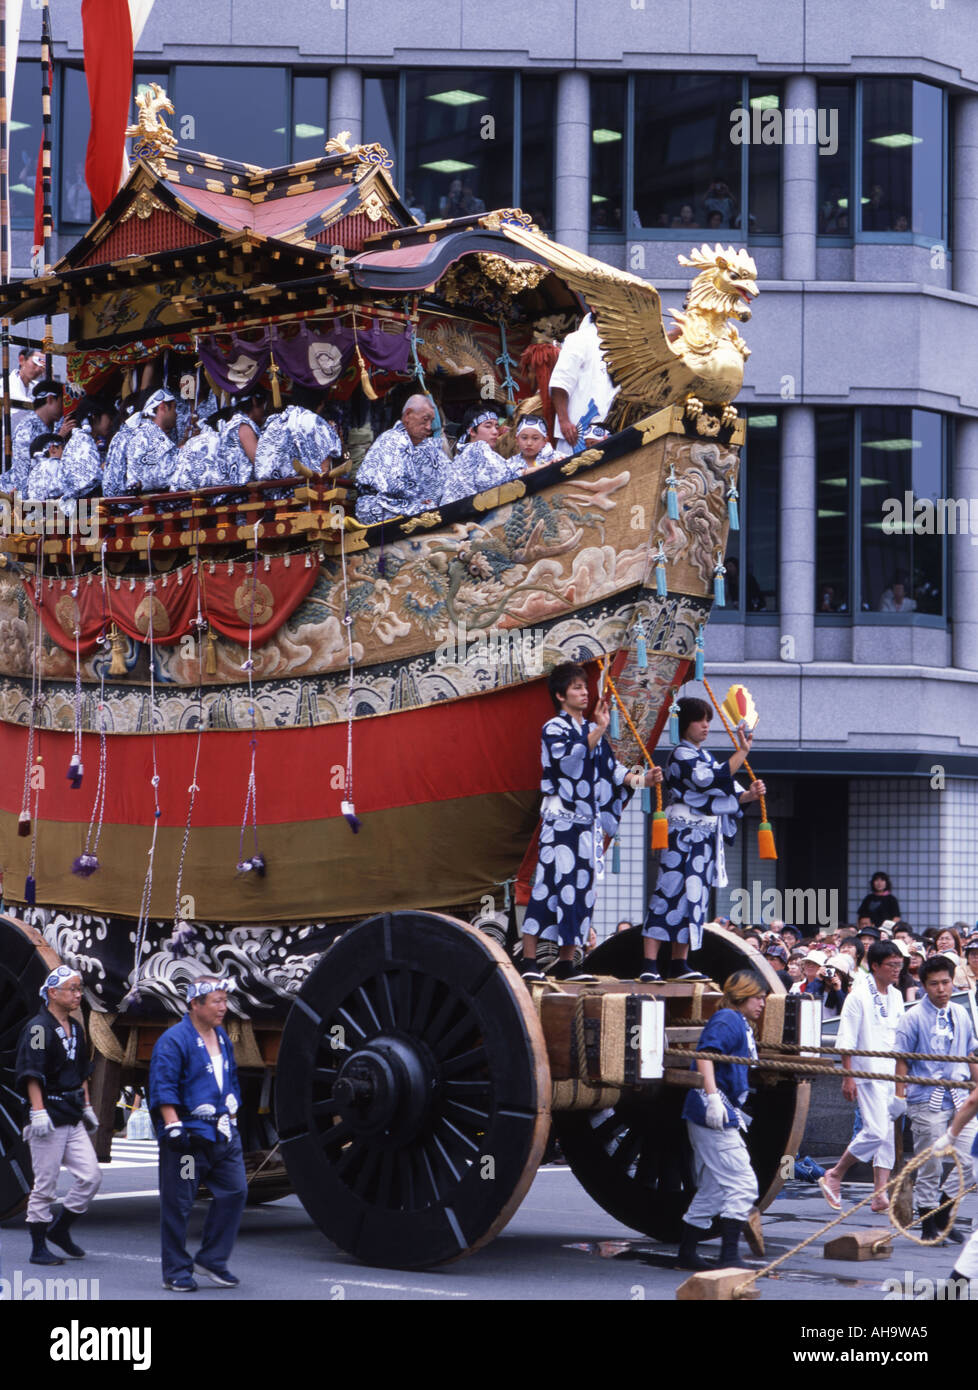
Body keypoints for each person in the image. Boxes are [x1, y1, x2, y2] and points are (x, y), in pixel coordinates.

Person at [520, 662, 661, 983]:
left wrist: (644, 780)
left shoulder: (590, 730)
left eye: (585, 687)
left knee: (580, 891)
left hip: (587, 826)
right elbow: (568, 762)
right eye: (577, 688)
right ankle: (529, 960)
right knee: (549, 886)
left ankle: (567, 962)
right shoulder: (553, 728)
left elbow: (615, 772)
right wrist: (598, 727)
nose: (585, 693)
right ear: (560, 695)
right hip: (560, 821)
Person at [640, 697, 766, 982]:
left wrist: (750, 795)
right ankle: (649, 962)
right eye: (700, 720)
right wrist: (742, 752)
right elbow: (709, 781)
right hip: (682, 834)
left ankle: (678, 962)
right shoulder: (681, 756)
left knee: (693, 897)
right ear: (685, 724)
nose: (706, 726)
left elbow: (730, 792)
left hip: (704, 837)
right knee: (668, 892)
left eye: (708, 720)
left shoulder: (705, 756)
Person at [148, 976, 248, 1292]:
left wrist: (232, 1105)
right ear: (195, 1004)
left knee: (235, 1191)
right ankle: (176, 1270)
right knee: (179, 1203)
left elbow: (230, 1078)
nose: (223, 1007)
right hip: (189, 1138)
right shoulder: (173, 1040)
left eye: (224, 1001)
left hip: (221, 1133)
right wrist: (173, 1124)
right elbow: (163, 1084)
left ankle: (212, 1259)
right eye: (216, 1001)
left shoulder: (222, 1037)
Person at [675, 969, 767, 1270]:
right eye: (758, 997)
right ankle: (729, 1255)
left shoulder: (738, 1021)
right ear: (741, 995)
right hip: (713, 1112)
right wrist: (713, 1097)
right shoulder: (728, 1019)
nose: (762, 1004)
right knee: (743, 1184)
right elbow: (706, 1055)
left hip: (718, 1112)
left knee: (715, 1188)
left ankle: (687, 1253)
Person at [14, 965, 101, 1266]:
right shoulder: (38, 1028)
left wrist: (87, 1106)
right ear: (53, 993)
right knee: (46, 1185)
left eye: (79, 989)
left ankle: (60, 1230)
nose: (78, 994)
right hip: (48, 1115)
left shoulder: (75, 1027)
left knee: (91, 1176)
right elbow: (31, 1073)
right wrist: (37, 1113)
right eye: (72, 989)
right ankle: (38, 1247)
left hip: (72, 1113)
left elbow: (81, 1072)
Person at [891, 955, 978, 1245]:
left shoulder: (961, 1013)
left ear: (953, 981)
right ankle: (929, 1219)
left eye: (946, 982)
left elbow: (970, 1054)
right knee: (930, 1165)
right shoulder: (912, 1017)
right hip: (926, 1099)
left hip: (960, 1098)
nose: (941, 989)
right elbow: (902, 1061)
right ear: (924, 986)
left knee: (971, 1160)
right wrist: (899, 1097)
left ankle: (944, 1210)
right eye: (934, 984)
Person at [818, 941, 905, 1213]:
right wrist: (848, 1076)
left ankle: (880, 1194)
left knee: (887, 1136)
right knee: (876, 1132)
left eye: (899, 965)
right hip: (866, 1073)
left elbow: (901, 1038)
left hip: (891, 1073)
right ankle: (835, 1173)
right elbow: (846, 1037)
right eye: (891, 965)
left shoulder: (897, 995)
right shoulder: (858, 995)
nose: (896, 970)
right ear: (875, 966)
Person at [354, 394, 447, 523]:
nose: (429, 427)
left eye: (431, 421)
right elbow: (394, 485)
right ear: (408, 415)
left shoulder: (427, 446)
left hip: (409, 504)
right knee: (434, 515)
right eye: (425, 420)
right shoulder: (393, 438)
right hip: (380, 506)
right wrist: (421, 501)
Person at [548, 313, 618, 456]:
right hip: (577, 433)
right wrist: (564, 421)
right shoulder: (579, 339)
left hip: (611, 432)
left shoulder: (622, 342)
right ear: (594, 306)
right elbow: (560, 382)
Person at [253, 387, 342, 485]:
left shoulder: (274, 421)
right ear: (321, 404)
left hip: (270, 490)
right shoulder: (317, 422)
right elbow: (324, 468)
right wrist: (333, 435)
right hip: (304, 491)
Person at [441, 408, 523, 505]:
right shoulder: (477, 448)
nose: (495, 432)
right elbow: (505, 476)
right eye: (488, 426)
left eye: (497, 427)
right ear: (472, 431)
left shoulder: (464, 454)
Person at [5, 379, 68, 495]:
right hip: (20, 495)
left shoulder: (51, 425)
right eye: (62, 401)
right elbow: (23, 471)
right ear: (50, 399)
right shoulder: (27, 428)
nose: (64, 407)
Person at [125, 388, 180, 492]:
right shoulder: (148, 435)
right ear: (162, 406)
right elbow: (159, 475)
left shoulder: (146, 432)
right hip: (155, 504)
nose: (176, 414)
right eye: (174, 408)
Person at [213, 388, 268, 486]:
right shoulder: (243, 426)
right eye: (264, 406)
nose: (264, 412)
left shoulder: (231, 424)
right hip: (242, 493)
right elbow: (261, 463)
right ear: (255, 401)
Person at [8, 347, 45, 424]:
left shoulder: (37, 386)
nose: (38, 369)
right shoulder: (6, 384)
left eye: (42, 366)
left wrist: (50, 375)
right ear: (22, 360)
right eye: (35, 364)